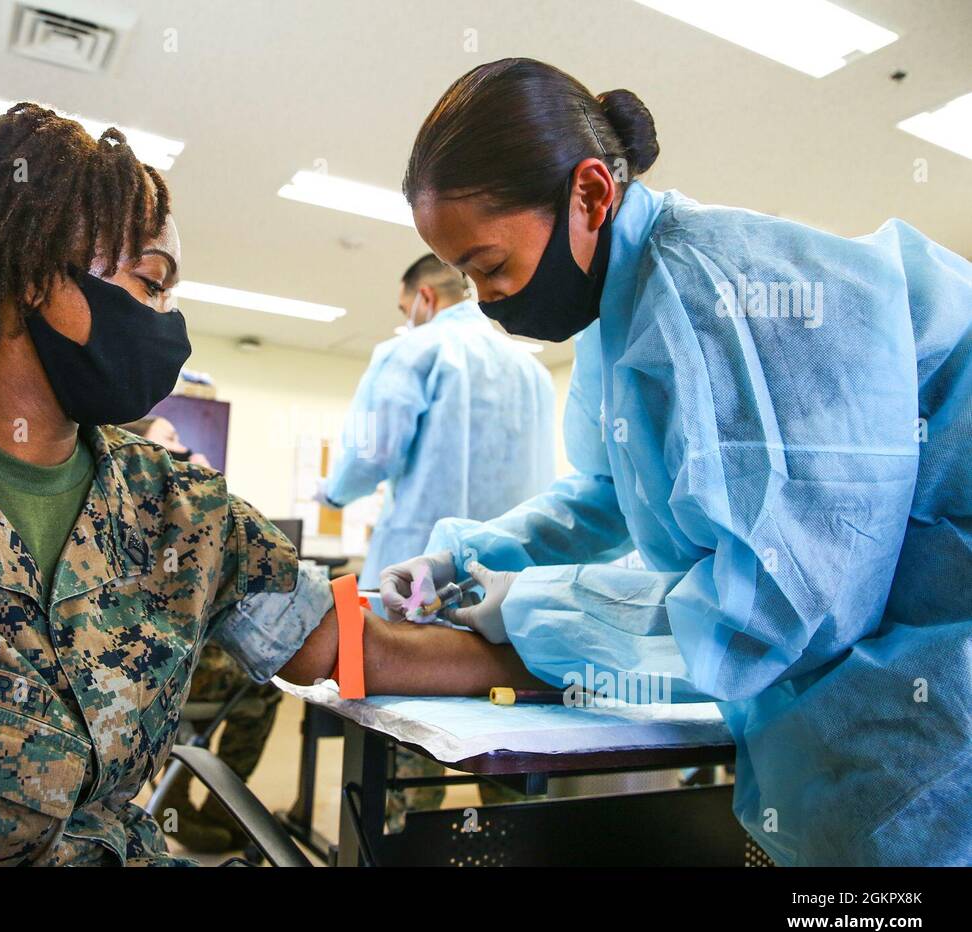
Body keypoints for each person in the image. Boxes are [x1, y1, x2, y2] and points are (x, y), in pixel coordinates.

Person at [0, 103, 549, 867]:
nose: (167, 327)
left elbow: (348, 649)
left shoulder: (178, 507)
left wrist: (553, 660)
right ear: (30, 271)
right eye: (149, 284)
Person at [382, 58, 972, 866]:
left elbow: (773, 611)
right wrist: (464, 559)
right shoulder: (618, 320)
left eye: (490, 265)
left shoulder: (728, 300)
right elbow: (605, 493)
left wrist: (533, 607)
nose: (486, 299)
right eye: (464, 276)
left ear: (590, 194)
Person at [320, 254, 556, 589]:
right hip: (511, 577)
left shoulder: (406, 351)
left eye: (405, 309)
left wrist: (333, 493)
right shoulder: (533, 370)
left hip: (420, 566)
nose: (408, 318)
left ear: (425, 297)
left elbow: (368, 450)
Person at [120, 416, 279, 853]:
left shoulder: (114, 499)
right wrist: (209, 486)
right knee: (262, 681)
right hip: (163, 662)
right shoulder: (168, 499)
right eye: (170, 439)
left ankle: (185, 794)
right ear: (141, 447)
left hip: (137, 662)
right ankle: (221, 803)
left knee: (220, 682)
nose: (183, 446)